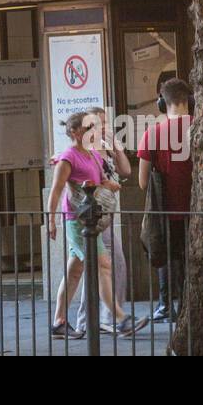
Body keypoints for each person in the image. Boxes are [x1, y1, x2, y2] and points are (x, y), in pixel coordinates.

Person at [47, 109, 133, 338]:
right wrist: (52, 221)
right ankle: (120, 318)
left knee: (74, 272)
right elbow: (55, 192)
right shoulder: (68, 157)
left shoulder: (94, 155)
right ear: (75, 132)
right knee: (104, 265)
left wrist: (110, 186)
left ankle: (59, 321)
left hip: (92, 219)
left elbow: (101, 180)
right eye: (88, 128)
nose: (93, 132)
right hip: (77, 221)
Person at [137, 77, 193, 322]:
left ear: (162, 103)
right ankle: (188, 306)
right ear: (190, 101)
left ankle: (166, 305)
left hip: (165, 212)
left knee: (168, 257)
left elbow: (142, 181)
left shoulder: (152, 133)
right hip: (198, 211)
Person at [72, 105, 131, 336]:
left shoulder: (105, 148)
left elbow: (125, 170)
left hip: (104, 217)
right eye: (99, 123)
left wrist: (115, 146)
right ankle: (109, 318)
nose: (105, 127)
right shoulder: (85, 151)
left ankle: (89, 320)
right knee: (111, 263)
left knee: (89, 268)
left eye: (107, 123)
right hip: (91, 217)